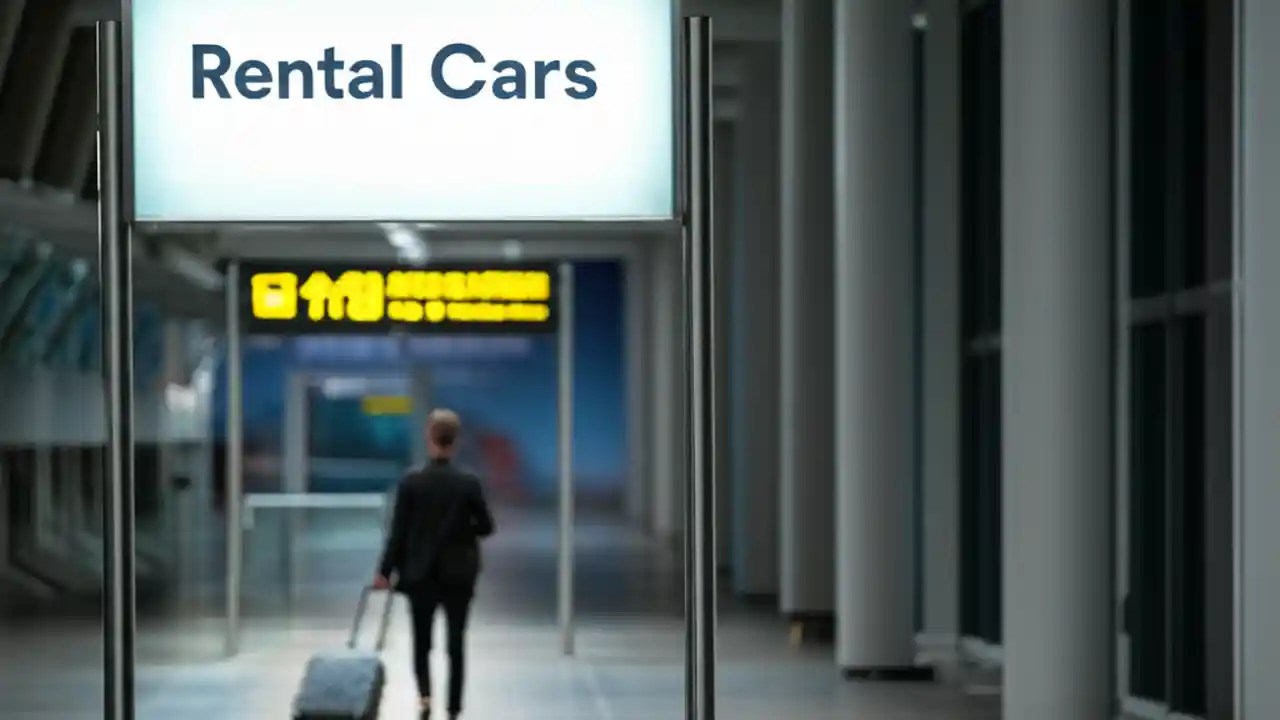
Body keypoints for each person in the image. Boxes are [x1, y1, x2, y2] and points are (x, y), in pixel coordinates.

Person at [375, 409, 495, 720]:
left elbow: (397, 533)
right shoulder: (468, 483)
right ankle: (454, 708)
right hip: (459, 574)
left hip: (420, 574)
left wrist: (384, 572)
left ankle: (425, 698)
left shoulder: (411, 483)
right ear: (456, 441)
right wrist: (462, 528)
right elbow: (486, 526)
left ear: (430, 437)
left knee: (422, 642)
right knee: (456, 643)